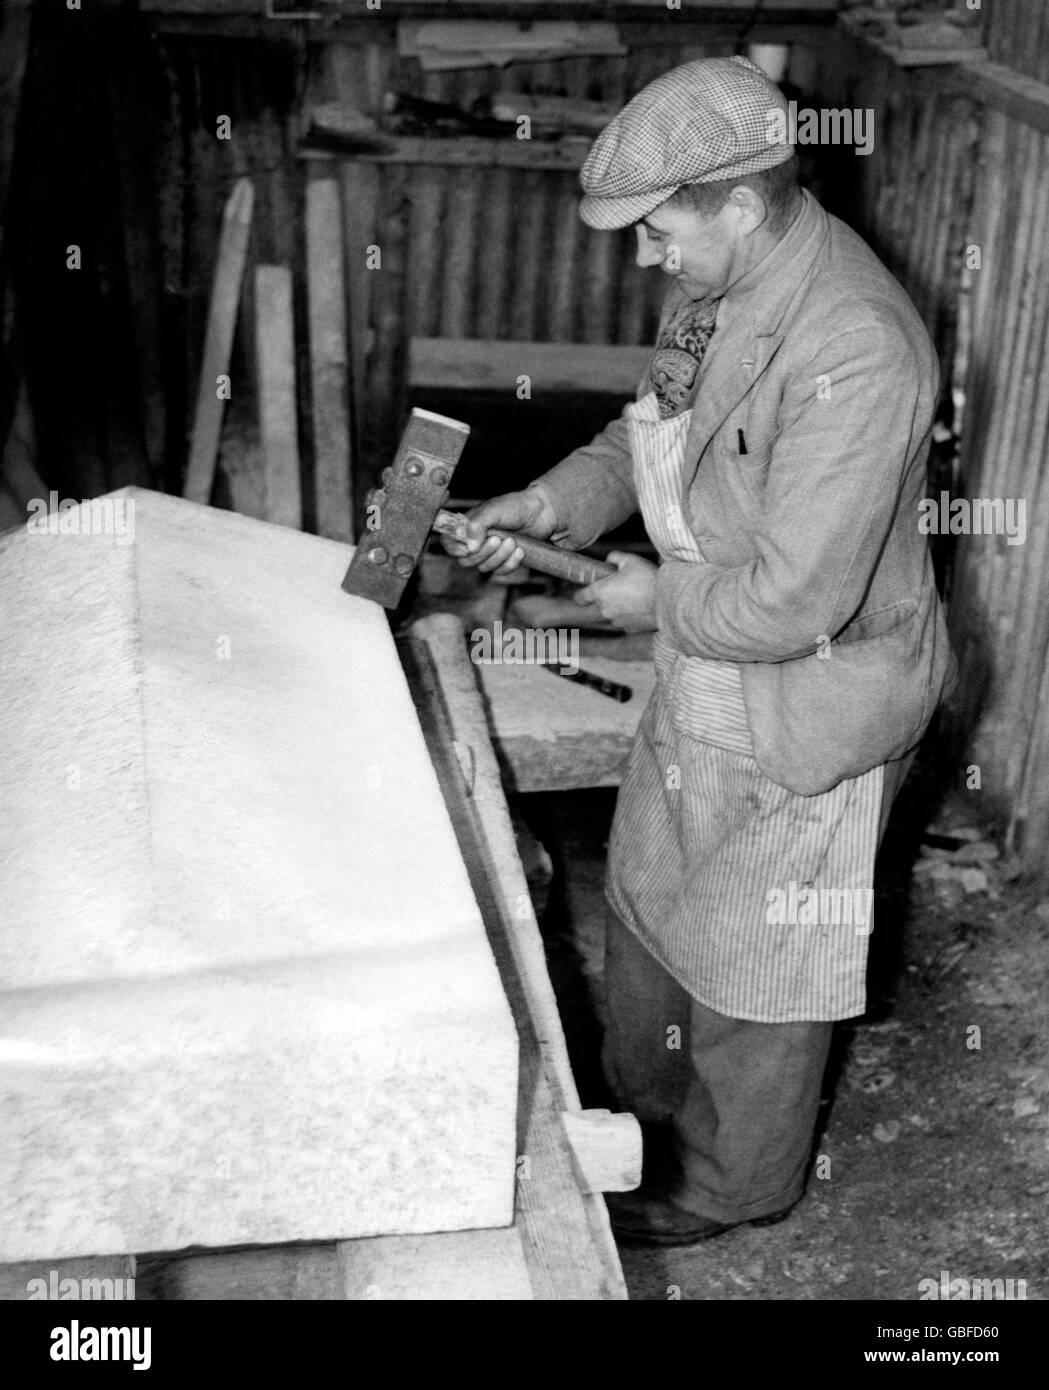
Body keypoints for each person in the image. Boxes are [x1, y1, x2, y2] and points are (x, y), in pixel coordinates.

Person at [443, 55, 956, 1246]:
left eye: (654, 226)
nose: (641, 255)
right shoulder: (717, 288)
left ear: (737, 200)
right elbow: (645, 436)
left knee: (759, 966)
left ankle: (732, 1186)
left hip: (811, 695)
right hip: (701, 667)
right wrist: (550, 506)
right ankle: (643, 1130)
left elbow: (788, 603)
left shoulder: (855, 346)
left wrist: (639, 600)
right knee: (651, 906)